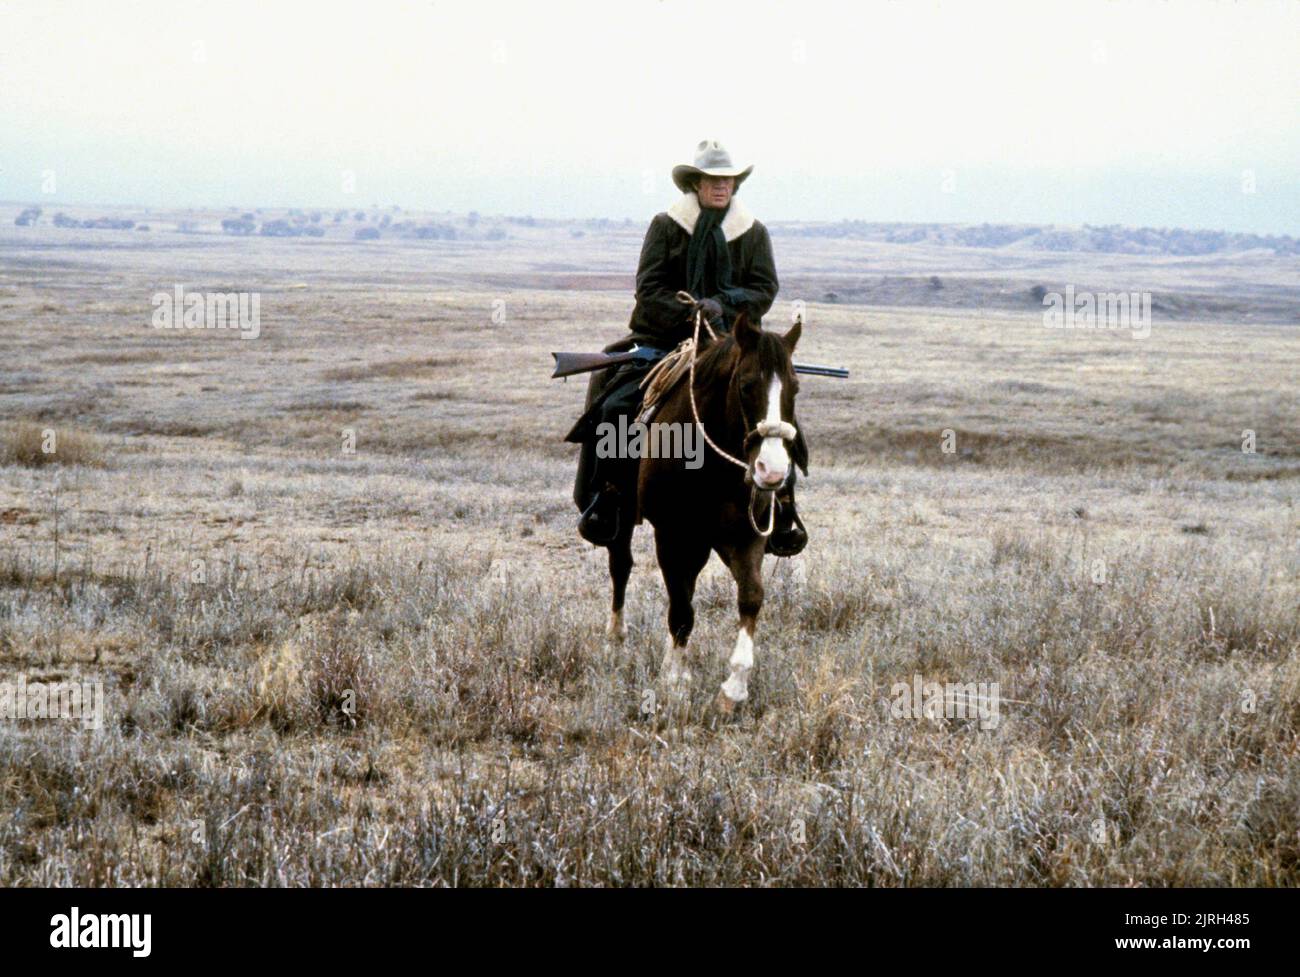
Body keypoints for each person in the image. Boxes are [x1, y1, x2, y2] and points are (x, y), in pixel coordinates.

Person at [565, 139, 808, 556]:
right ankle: (609, 497)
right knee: (617, 406)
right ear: (695, 183)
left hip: (734, 343)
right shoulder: (665, 226)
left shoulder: (753, 233)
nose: (721, 186)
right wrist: (688, 313)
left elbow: (764, 288)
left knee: (778, 417)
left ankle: (784, 507)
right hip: (666, 339)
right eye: (713, 179)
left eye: (728, 179)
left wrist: (724, 305)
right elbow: (649, 286)